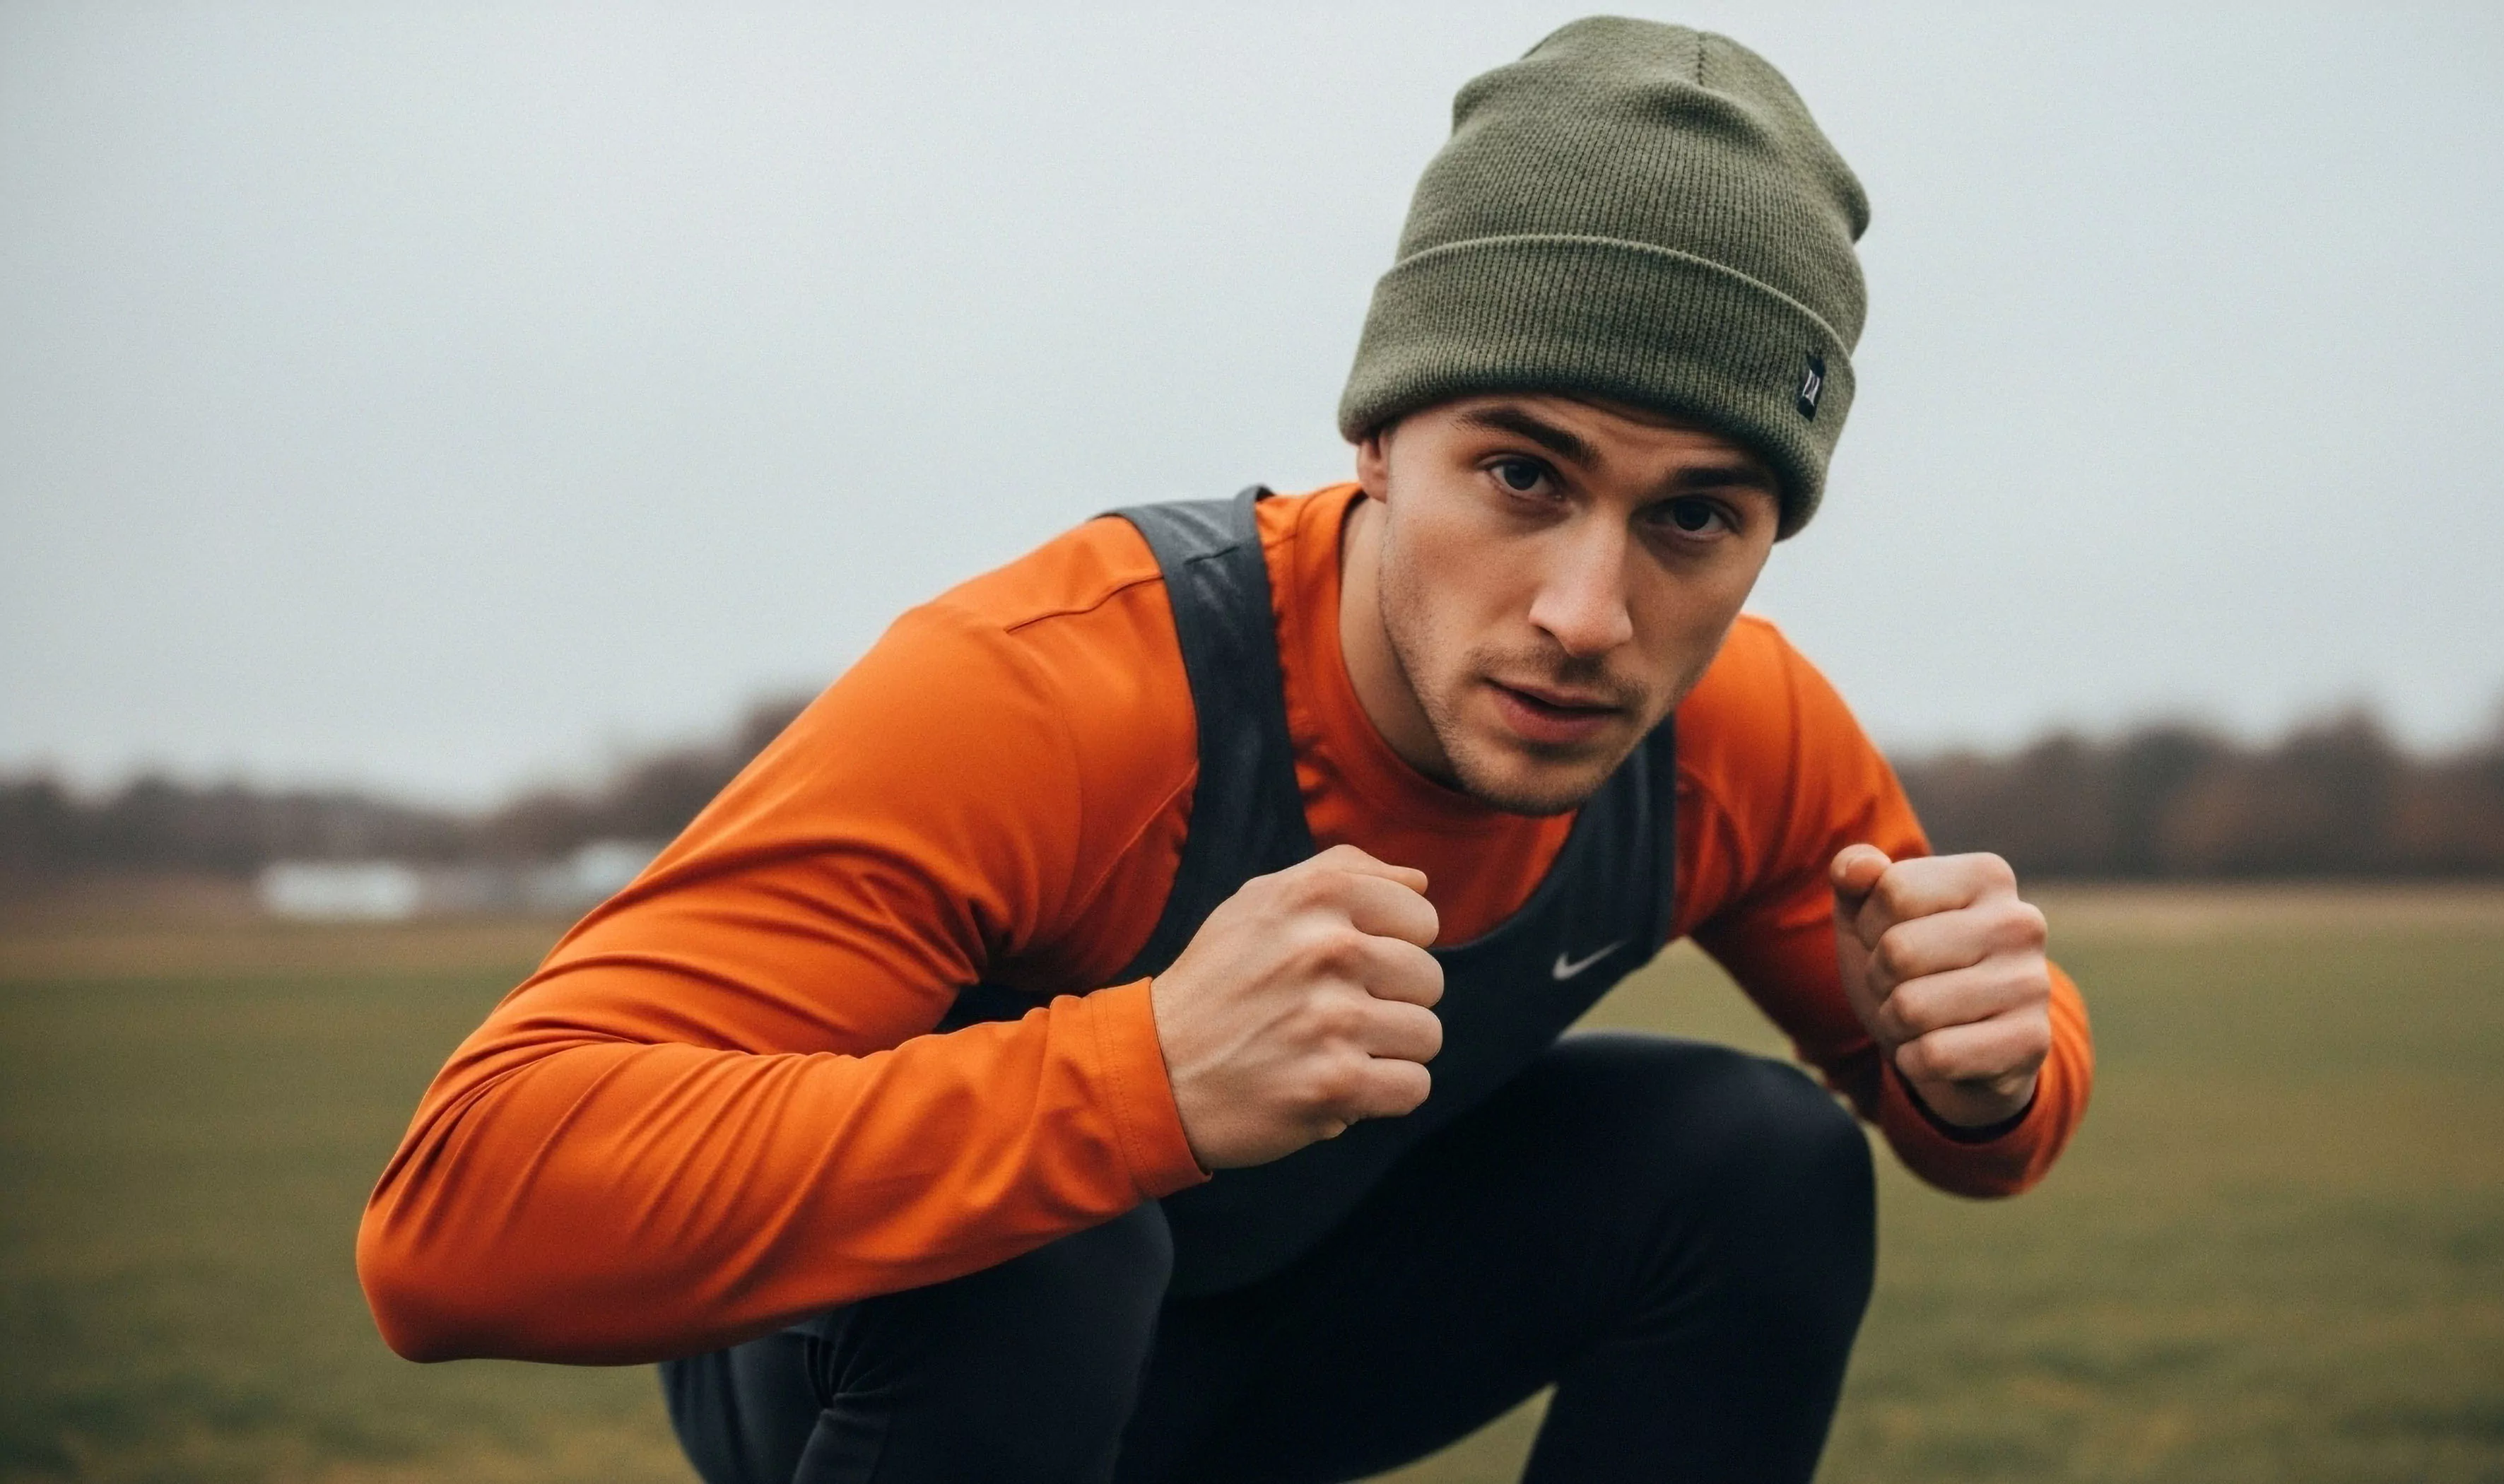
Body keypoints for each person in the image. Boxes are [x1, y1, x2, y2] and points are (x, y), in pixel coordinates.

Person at [358, 16, 2093, 1483]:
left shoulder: (1733, 738)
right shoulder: (1055, 693)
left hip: (1266, 1345)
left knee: (1764, 1162)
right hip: (894, 1376)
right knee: (1054, 1247)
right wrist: (1136, 1085)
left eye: (1693, 518)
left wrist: (1989, 1072)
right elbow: (450, 1229)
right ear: (1377, 439)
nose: (1587, 613)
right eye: (1520, 474)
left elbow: (1986, 1132)